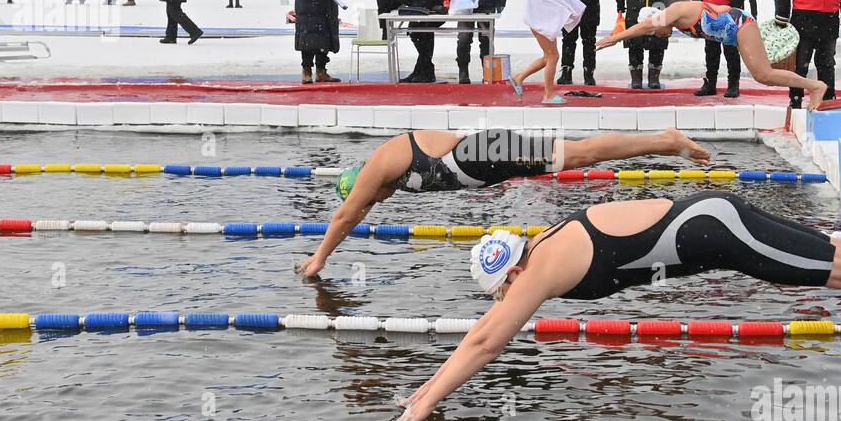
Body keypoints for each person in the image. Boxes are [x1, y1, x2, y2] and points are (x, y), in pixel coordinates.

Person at [389, 194, 841, 421]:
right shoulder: (543, 245)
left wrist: (425, 403)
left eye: (501, 294)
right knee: (840, 254)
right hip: (716, 220)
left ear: (509, 274)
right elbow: (484, 333)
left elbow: (483, 343)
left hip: (720, 232)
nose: (505, 305)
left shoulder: (538, 272)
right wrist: (425, 384)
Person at [296, 126, 711, 279]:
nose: (375, 202)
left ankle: (666, 141)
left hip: (483, 154)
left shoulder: (379, 164)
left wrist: (319, 259)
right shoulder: (379, 178)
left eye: (370, 198)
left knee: (582, 154)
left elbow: (347, 215)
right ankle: (662, 143)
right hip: (484, 162)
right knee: (581, 154)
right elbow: (356, 211)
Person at [597, 1, 826, 110]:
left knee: (763, 74)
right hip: (735, 33)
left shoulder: (675, 10)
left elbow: (646, 26)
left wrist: (614, 37)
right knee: (763, 74)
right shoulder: (677, 22)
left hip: (741, 24)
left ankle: (815, 86)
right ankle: (813, 86)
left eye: (657, 32)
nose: (659, 35)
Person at [509, 0, 585, 105]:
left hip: (540, 17)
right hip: (539, 18)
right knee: (552, 56)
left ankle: (518, 77)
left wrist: (570, 9)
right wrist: (570, 10)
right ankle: (548, 95)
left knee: (549, 56)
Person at [356, 0, 444, 83]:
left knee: (417, 32)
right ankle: (424, 70)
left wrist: (384, 29)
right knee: (423, 30)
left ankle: (425, 70)